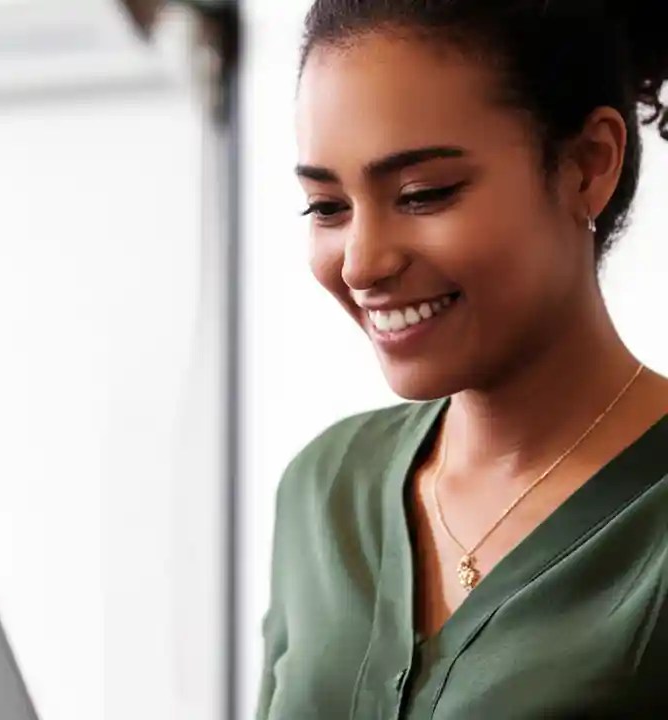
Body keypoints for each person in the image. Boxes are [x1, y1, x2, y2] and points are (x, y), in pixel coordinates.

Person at [257, 1, 668, 717]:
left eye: (423, 195)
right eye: (327, 206)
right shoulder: (325, 491)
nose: (362, 263)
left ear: (587, 165)